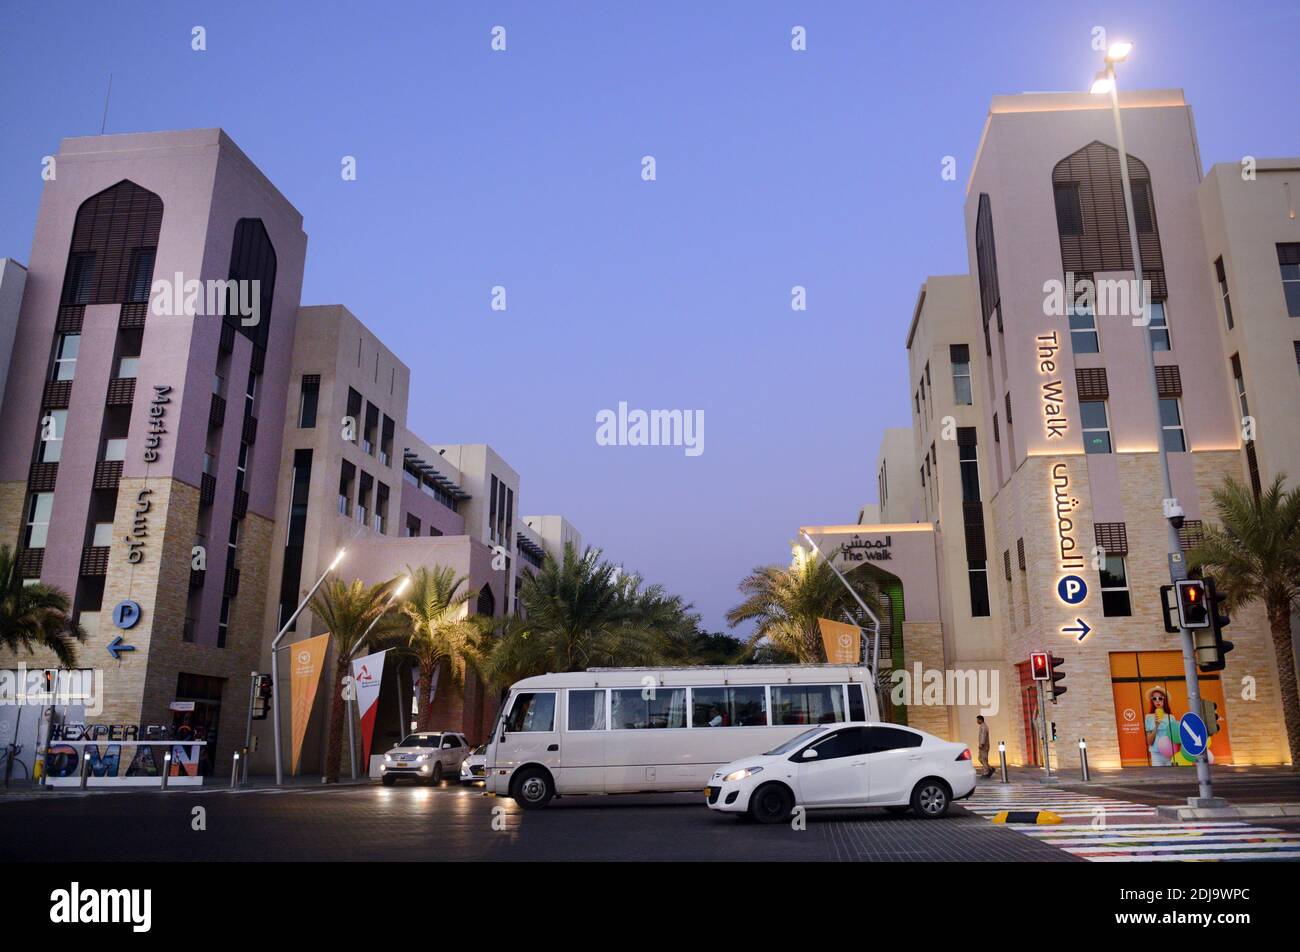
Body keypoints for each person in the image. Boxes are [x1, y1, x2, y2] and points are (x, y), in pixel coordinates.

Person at [1144, 687, 1179, 766]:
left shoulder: (1171, 717)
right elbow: (1150, 742)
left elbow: (1175, 739)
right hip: (1156, 754)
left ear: (1165, 700)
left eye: (1160, 698)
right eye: (1154, 698)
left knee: (1171, 777)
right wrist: (1156, 726)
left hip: (1170, 753)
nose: (1157, 701)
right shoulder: (1149, 717)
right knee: (1158, 776)